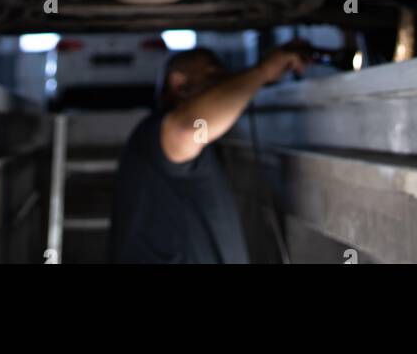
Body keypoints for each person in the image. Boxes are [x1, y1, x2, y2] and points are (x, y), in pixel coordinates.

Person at [109, 41, 310, 264]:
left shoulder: (185, 150)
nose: (224, 87)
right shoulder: (157, 134)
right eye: (213, 77)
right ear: (178, 83)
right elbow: (187, 130)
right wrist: (262, 73)